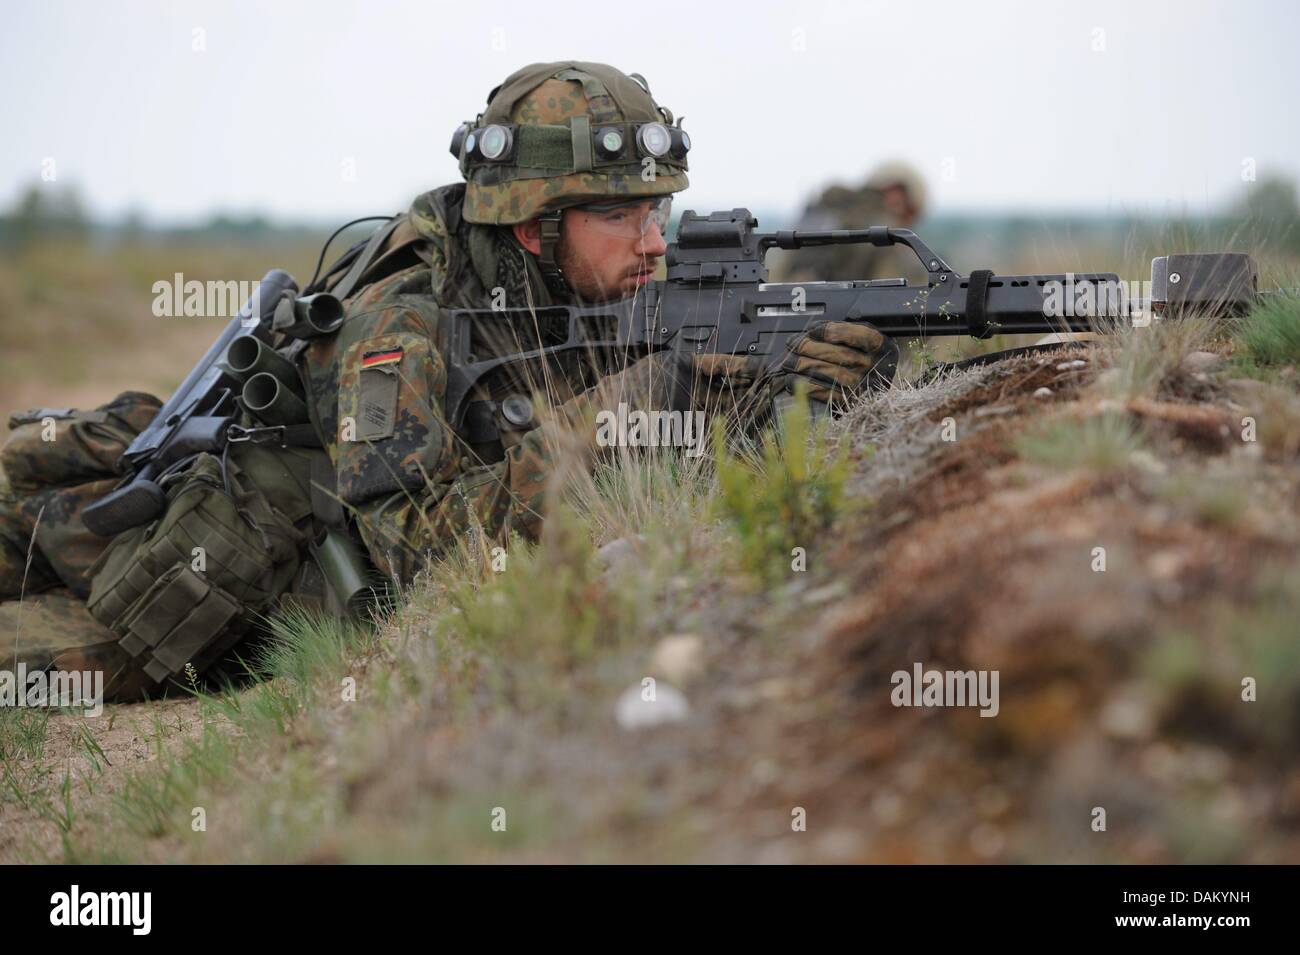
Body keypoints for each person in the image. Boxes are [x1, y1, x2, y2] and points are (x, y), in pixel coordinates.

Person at [0, 61, 898, 703]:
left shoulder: (581, 289)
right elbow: (416, 550)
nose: (653, 241)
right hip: (239, 558)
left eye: (655, 209)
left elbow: (674, 449)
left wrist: (802, 380)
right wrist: (627, 406)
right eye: (619, 214)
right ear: (530, 226)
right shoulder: (407, 320)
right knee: (37, 649)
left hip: (300, 529)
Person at [771, 160, 928, 284]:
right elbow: (903, 297)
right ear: (896, 195)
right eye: (909, 212)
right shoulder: (888, 233)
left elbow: (778, 274)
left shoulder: (821, 214)